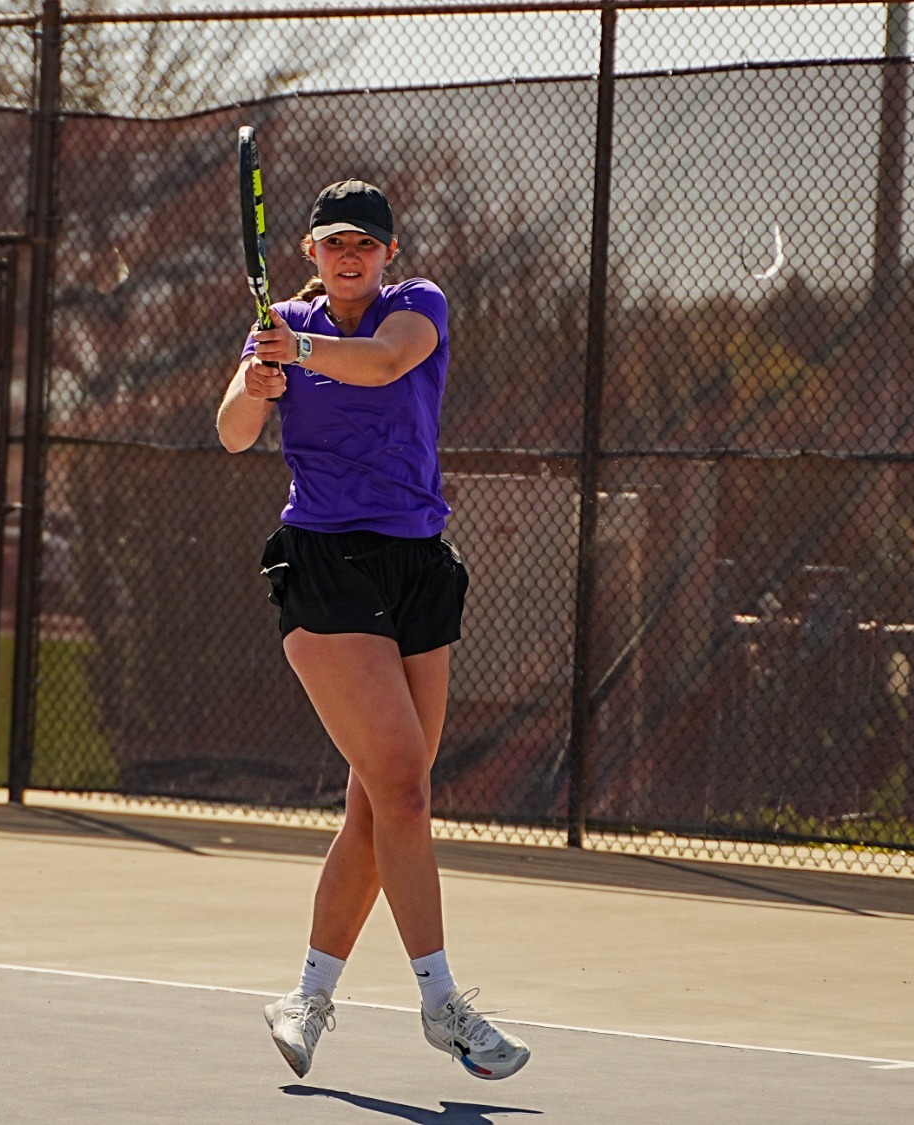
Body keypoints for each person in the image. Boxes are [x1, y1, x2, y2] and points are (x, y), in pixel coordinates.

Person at [216, 179, 531, 1082]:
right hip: (325, 563)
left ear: (388, 253)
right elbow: (237, 431)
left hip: (418, 565)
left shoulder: (417, 307)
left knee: (381, 801)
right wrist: (257, 379)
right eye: (333, 243)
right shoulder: (275, 323)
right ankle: (442, 1003)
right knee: (401, 783)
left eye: (366, 243)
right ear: (310, 252)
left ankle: (308, 995)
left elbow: (386, 364)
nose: (350, 256)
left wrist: (303, 351)